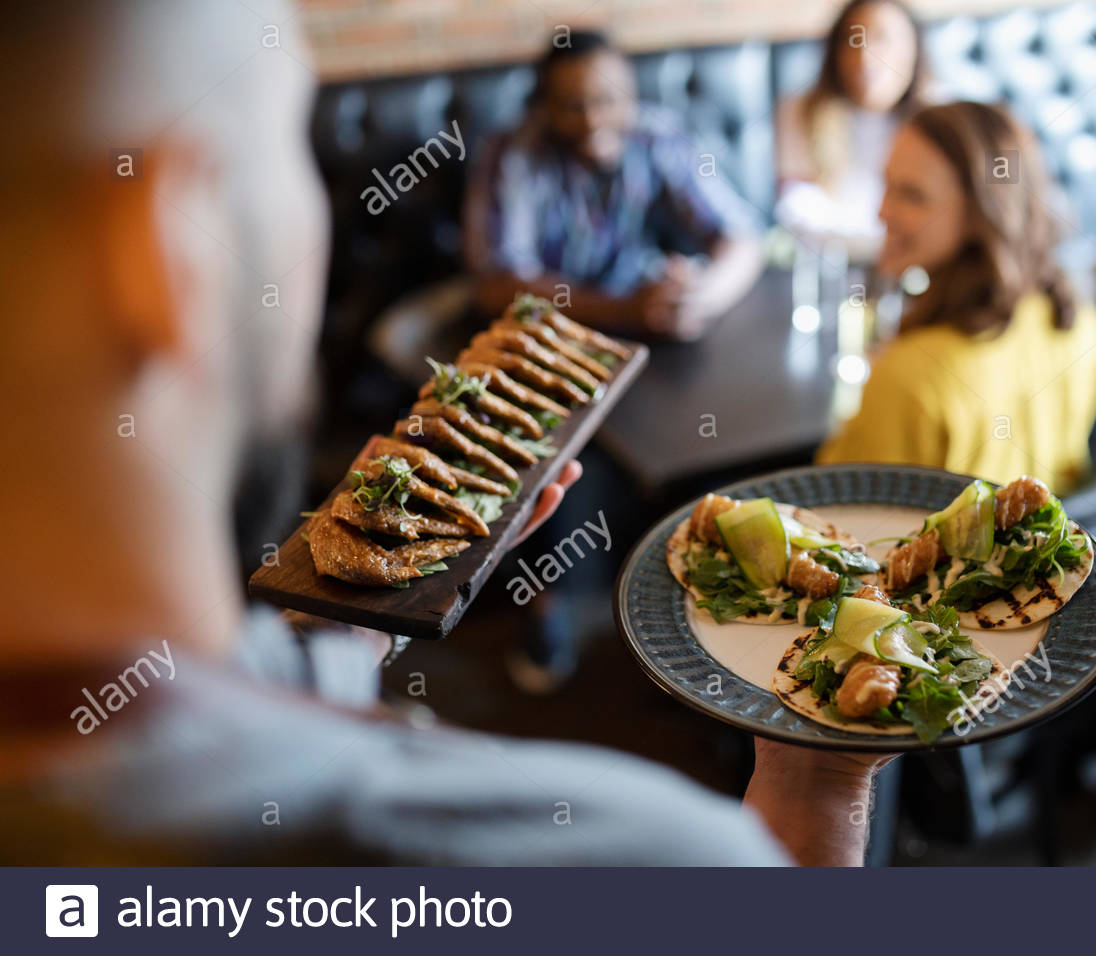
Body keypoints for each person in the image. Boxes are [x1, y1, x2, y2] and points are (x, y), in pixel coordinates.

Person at [0, 0, 892, 868]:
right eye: (290, 150)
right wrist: (818, 786)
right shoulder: (659, 856)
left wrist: (359, 629)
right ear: (167, 255)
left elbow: (235, 686)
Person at [816, 101, 1096, 492]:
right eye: (885, 184)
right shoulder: (1083, 326)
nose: (882, 211)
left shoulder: (908, 381)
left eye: (912, 195)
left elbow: (838, 524)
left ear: (983, 212)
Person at [464, 31, 763, 342]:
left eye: (607, 100)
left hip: (647, 332)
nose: (592, 120)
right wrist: (622, 311)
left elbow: (741, 237)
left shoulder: (657, 135)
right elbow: (496, 288)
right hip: (544, 338)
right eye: (573, 106)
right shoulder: (512, 155)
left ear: (631, 94)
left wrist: (697, 298)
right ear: (545, 107)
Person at [774, 0, 925, 257]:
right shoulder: (800, 111)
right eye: (852, 40)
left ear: (913, 50)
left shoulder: (939, 119)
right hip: (835, 266)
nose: (865, 57)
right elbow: (795, 208)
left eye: (882, 38)